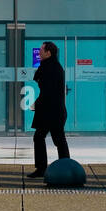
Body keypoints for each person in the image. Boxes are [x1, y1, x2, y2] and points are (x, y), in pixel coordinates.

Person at [28, 41, 69, 179]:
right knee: (53, 139)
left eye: (41, 50)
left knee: (54, 139)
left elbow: (48, 91)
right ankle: (62, 167)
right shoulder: (51, 66)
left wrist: (37, 103)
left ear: (48, 52)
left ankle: (45, 168)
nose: (39, 53)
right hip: (52, 110)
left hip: (51, 111)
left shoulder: (50, 68)